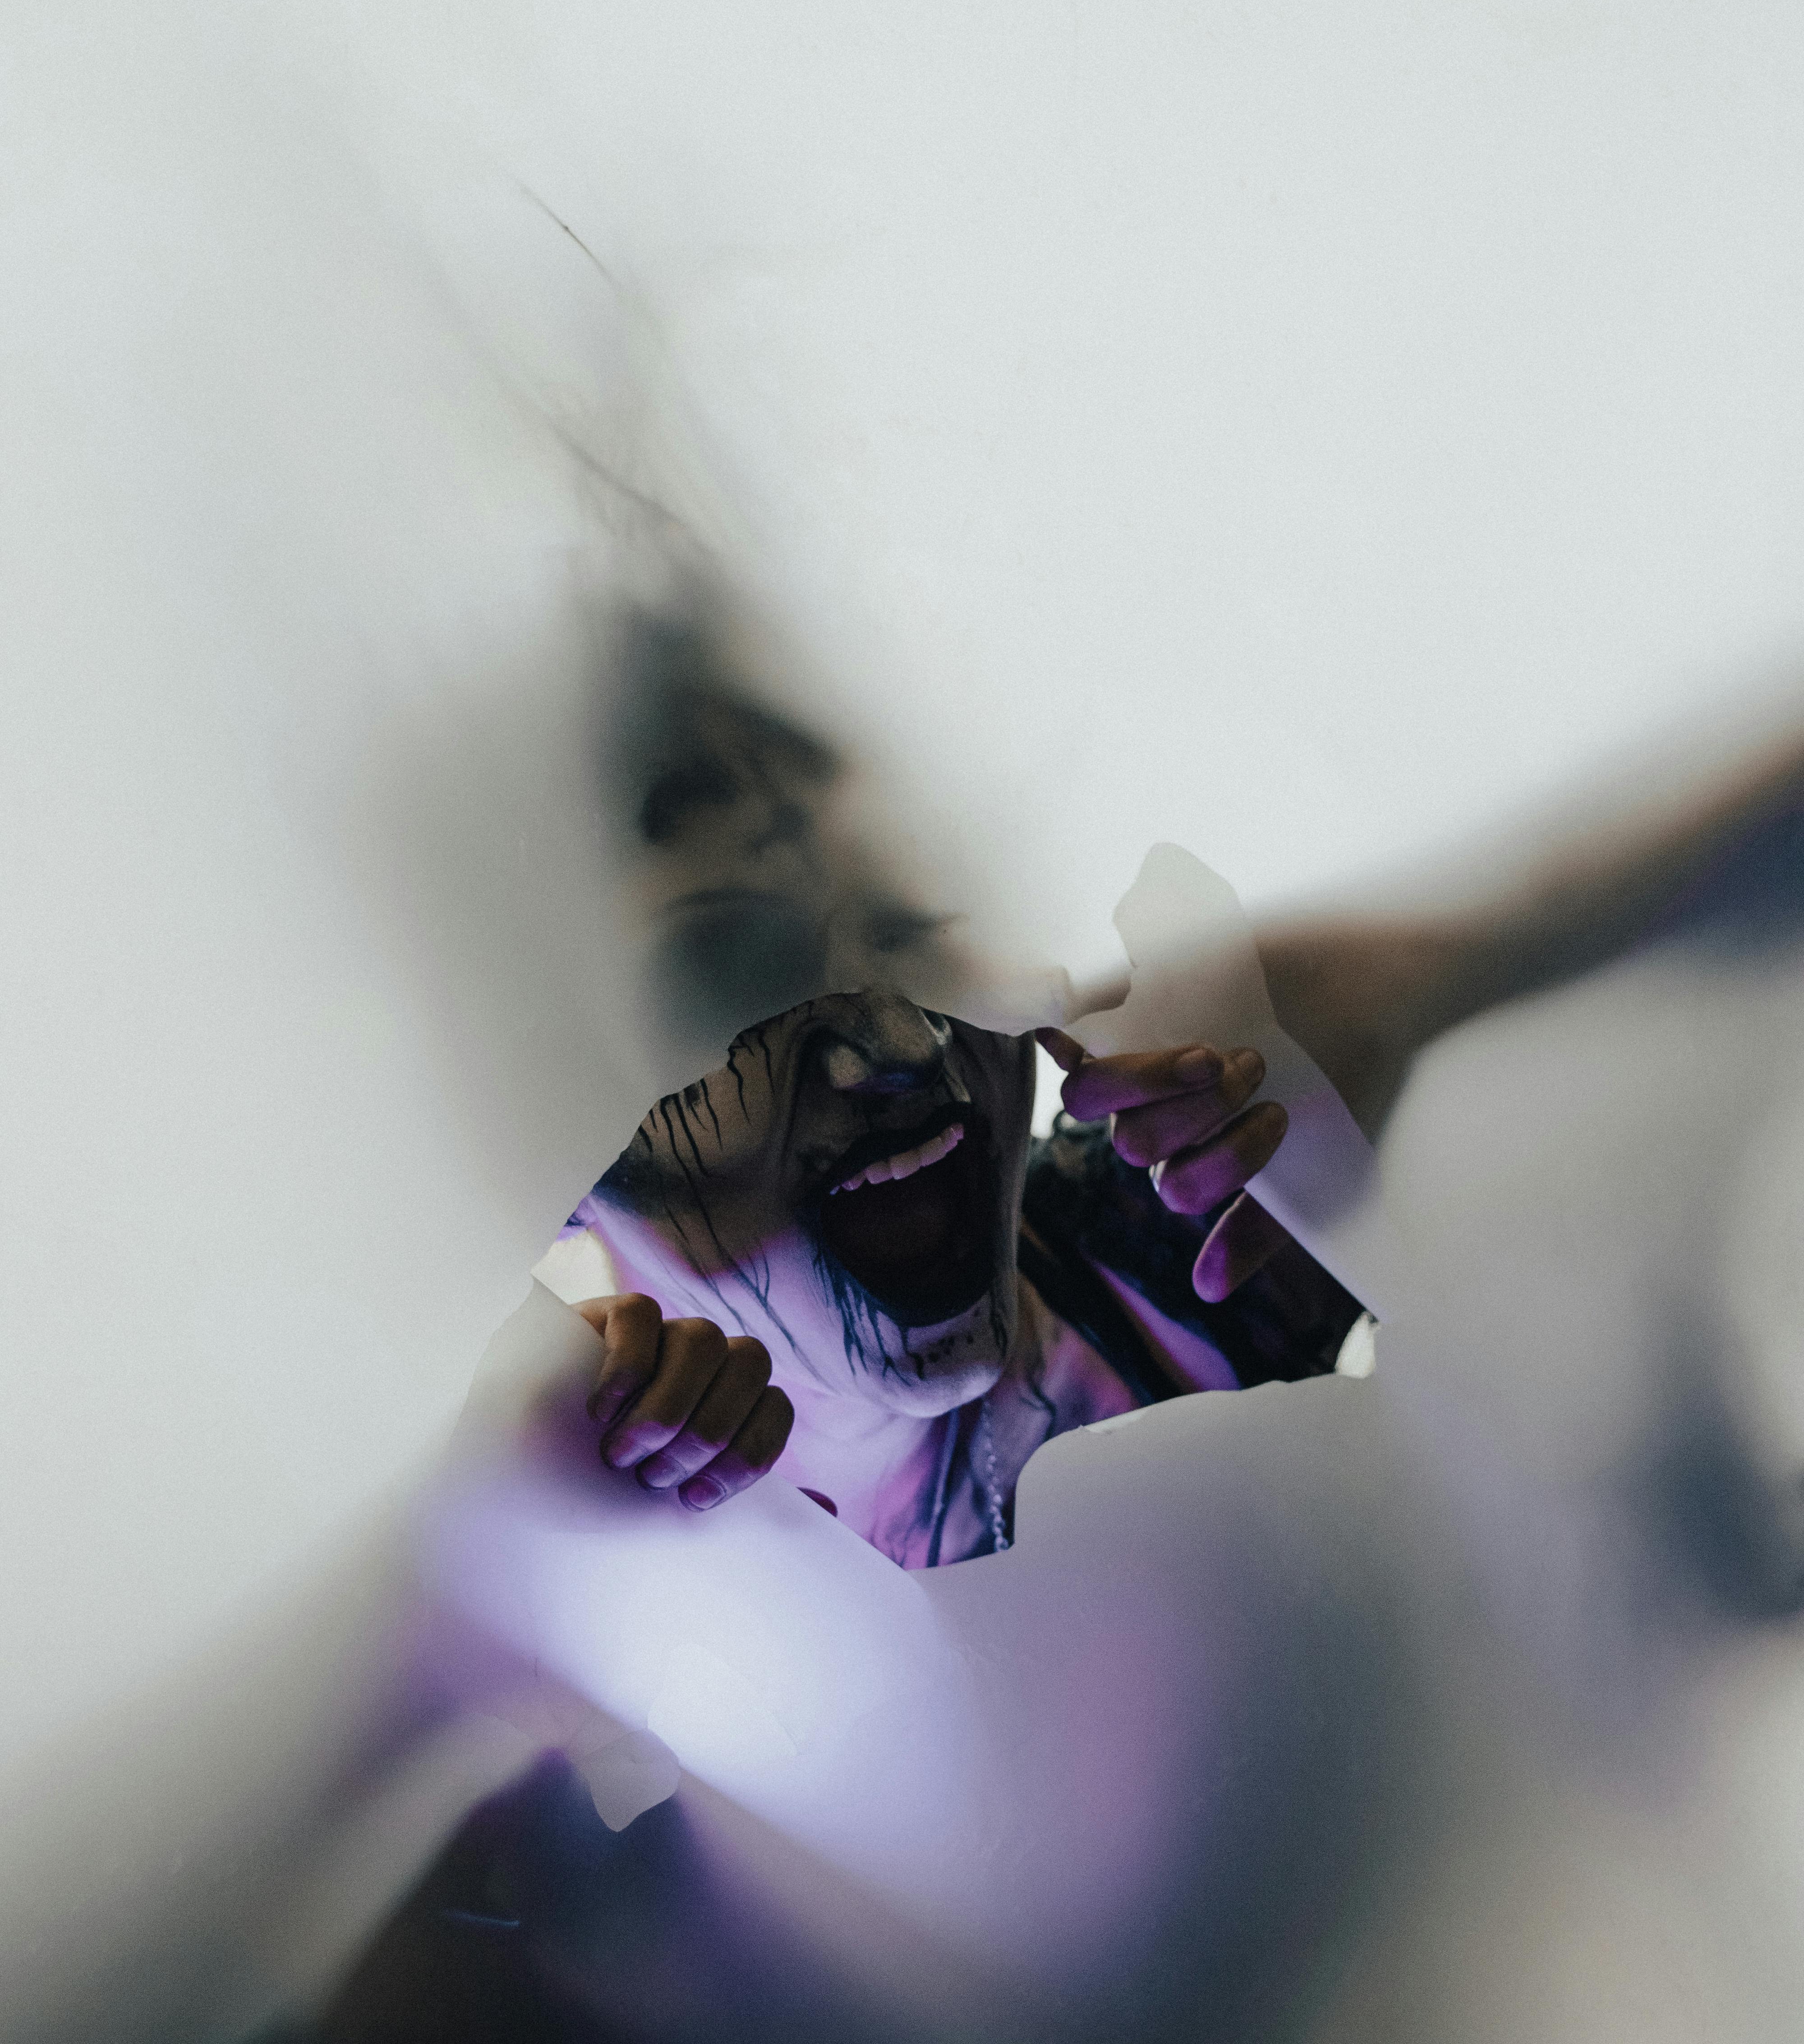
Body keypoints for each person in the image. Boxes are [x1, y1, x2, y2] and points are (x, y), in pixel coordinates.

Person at [544, 625, 1804, 1566]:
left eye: (907, 933)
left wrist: (1381, 1076)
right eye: (742, 991)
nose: (894, 1041)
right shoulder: (579, 1528)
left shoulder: (1209, 1184)